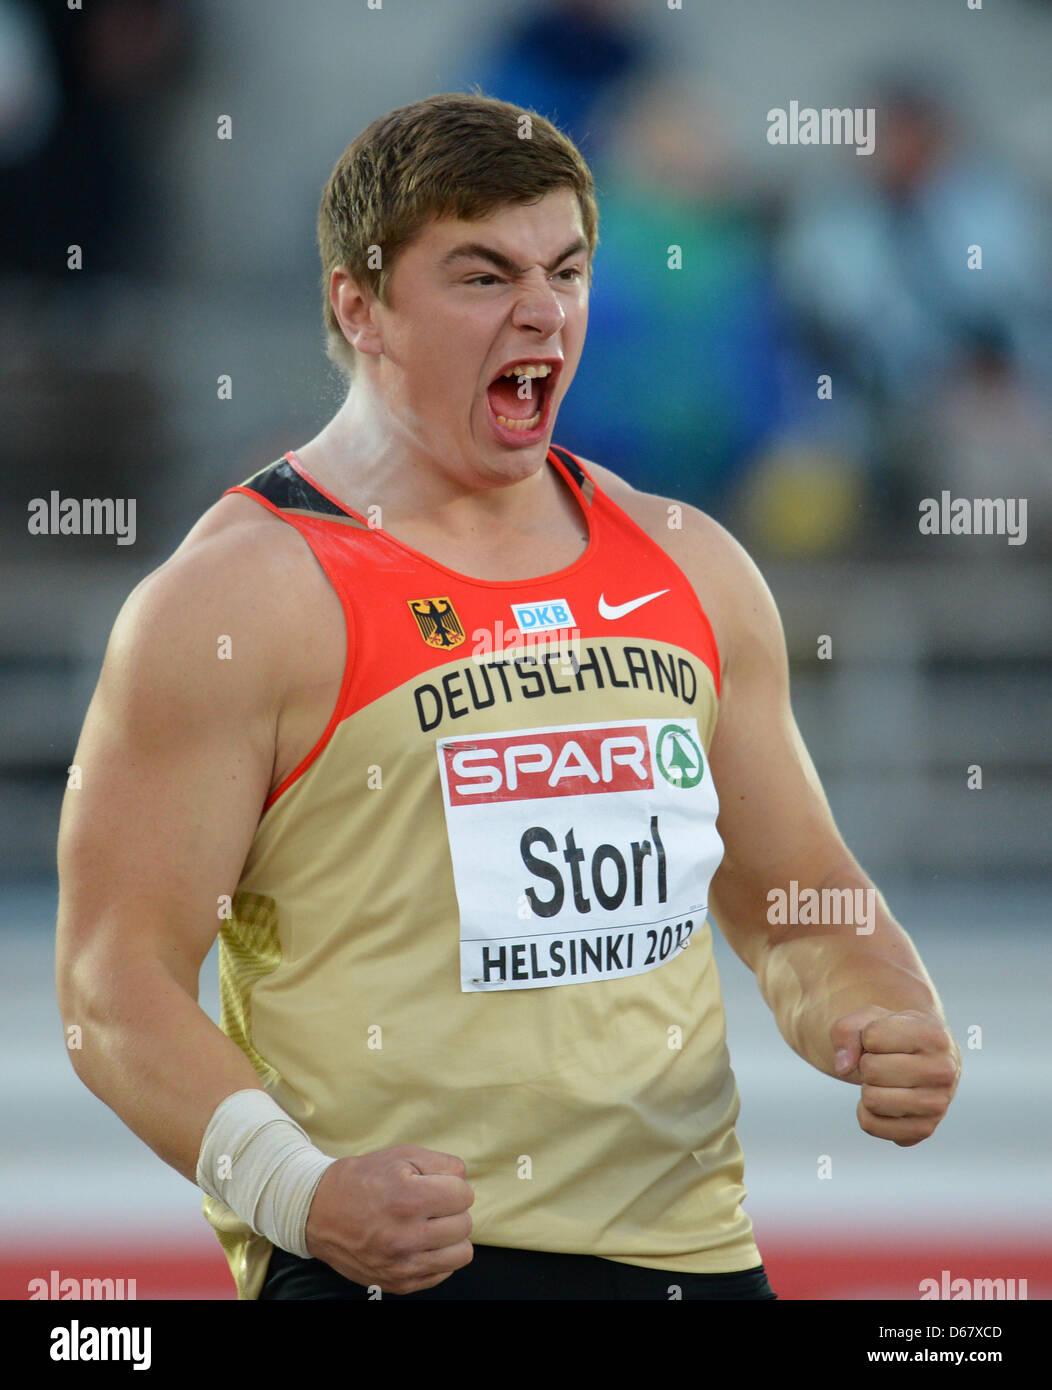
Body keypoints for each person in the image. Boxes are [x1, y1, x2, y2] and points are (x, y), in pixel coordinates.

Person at [55, 92, 961, 1302]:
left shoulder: (690, 564)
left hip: (689, 1256)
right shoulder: (238, 600)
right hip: (395, 1260)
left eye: (567, 269)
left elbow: (797, 905)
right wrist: (301, 1192)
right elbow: (112, 986)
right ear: (358, 307)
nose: (542, 310)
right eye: (482, 275)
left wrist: (880, 1008)